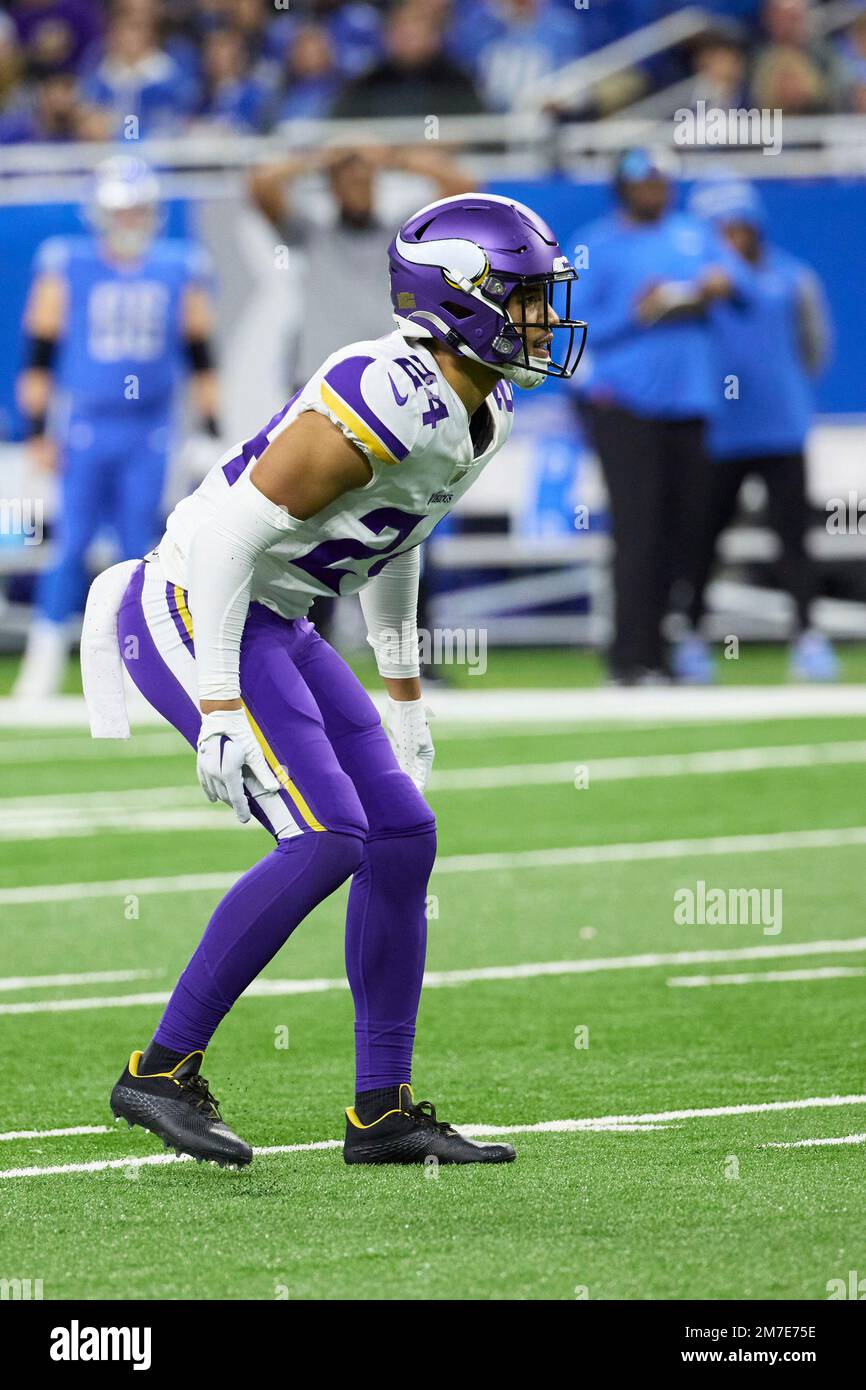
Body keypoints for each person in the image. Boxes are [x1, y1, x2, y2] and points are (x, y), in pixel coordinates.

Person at [81, 191, 586, 1168]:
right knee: (325, 840)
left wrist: (402, 689)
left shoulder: (479, 411)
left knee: (400, 836)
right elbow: (228, 537)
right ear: (458, 300)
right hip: (194, 602)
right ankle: (158, 1069)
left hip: (278, 613)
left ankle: (380, 1111)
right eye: (523, 298)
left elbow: (391, 542)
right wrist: (221, 702)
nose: (540, 319)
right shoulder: (385, 390)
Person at [14, 155, 219, 698]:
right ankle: (44, 654)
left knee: (139, 545)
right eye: (121, 213)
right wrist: (37, 428)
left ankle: (138, 664)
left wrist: (209, 428)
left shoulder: (179, 266)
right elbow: (38, 352)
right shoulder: (68, 263)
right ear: (101, 215)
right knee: (73, 540)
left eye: (138, 212)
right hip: (86, 422)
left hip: (151, 427)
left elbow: (201, 354)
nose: (130, 223)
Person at [569, 148, 743, 685]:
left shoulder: (696, 235)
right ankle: (628, 657)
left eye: (661, 181)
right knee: (638, 530)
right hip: (626, 404)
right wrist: (636, 312)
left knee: (688, 530)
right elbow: (569, 326)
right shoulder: (596, 244)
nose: (655, 190)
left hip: (691, 402)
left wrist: (717, 287)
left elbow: (740, 285)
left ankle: (669, 651)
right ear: (622, 188)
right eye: (644, 182)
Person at [677, 179, 836, 682]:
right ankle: (691, 637)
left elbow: (815, 347)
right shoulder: (697, 286)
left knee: (793, 541)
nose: (730, 238)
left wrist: (785, 391)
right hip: (721, 432)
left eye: (737, 228)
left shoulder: (793, 277)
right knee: (704, 540)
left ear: (754, 227)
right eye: (720, 230)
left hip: (782, 430)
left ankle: (808, 638)